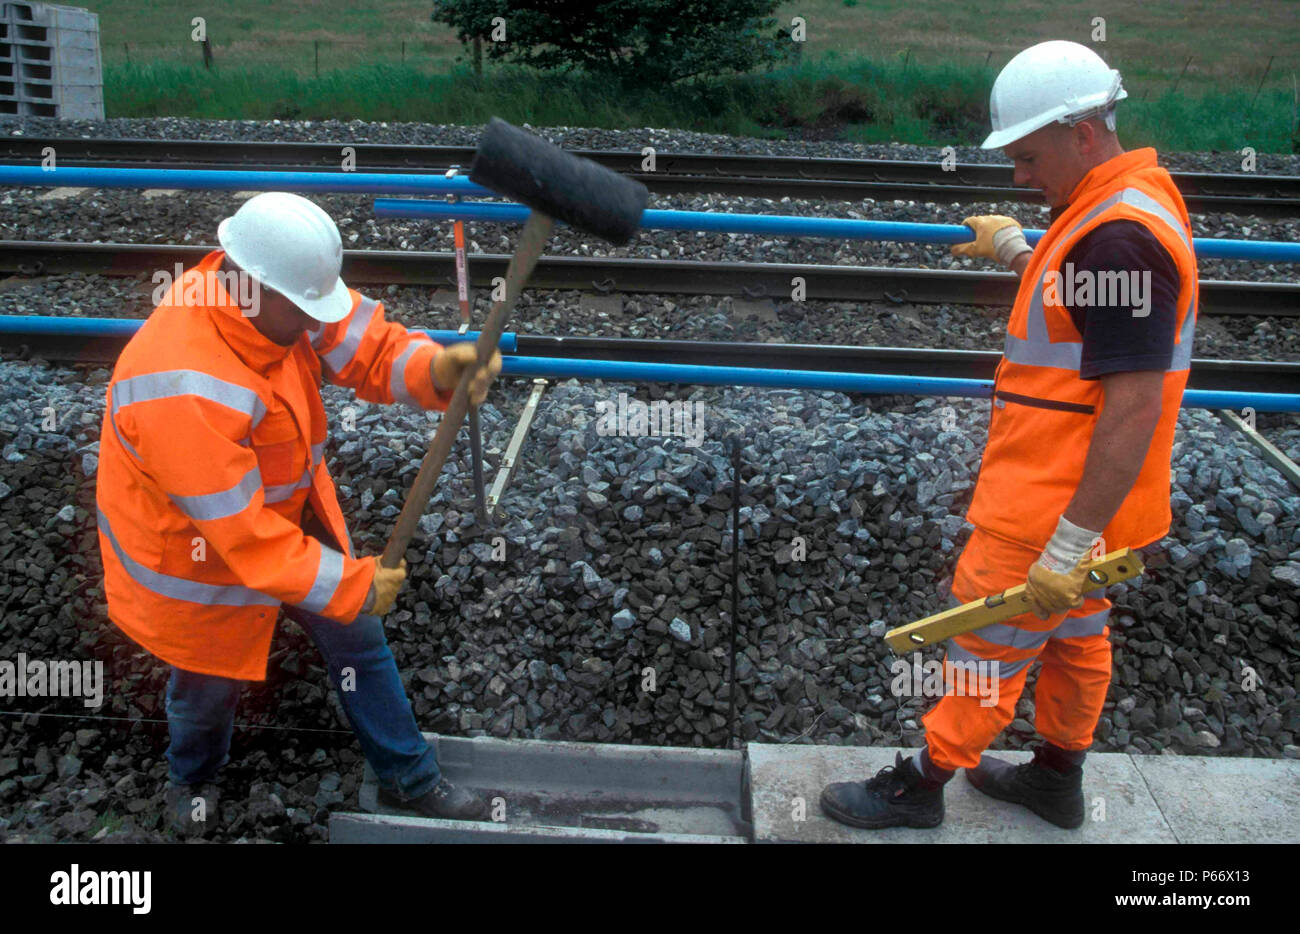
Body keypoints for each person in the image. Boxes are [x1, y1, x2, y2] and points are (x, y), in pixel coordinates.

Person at [821, 40, 1198, 830]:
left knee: (985, 644)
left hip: (1053, 507)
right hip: (1100, 509)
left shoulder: (1117, 234)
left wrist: (1064, 547)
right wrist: (1020, 251)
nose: (1020, 177)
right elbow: (1088, 313)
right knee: (1076, 636)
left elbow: (1132, 404)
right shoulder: (1123, 205)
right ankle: (1057, 777)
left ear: (1083, 135)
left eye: (1028, 157)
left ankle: (921, 786)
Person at [95, 192, 502, 835]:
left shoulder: (274, 303)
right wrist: (352, 583)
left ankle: (410, 778)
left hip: (277, 512)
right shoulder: (181, 381)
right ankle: (192, 780)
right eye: (305, 310)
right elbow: (245, 540)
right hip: (199, 548)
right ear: (254, 286)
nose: (315, 323)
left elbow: (359, 342)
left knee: (357, 639)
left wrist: (433, 368)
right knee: (207, 682)